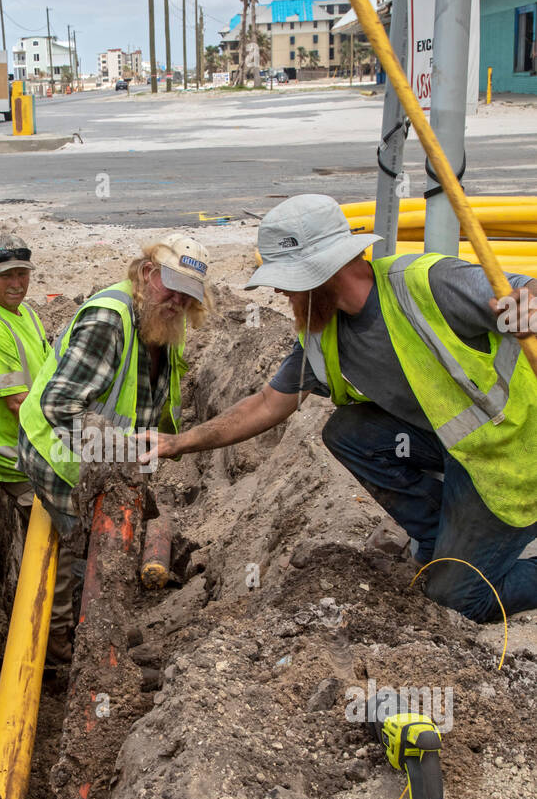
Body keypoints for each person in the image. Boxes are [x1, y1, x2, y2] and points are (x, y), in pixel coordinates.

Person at [146, 194, 537, 624]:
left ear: (321, 271)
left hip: (512, 455)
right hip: (455, 446)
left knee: (455, 600)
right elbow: (265, 404)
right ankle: (438, 542)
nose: (279, 291)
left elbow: (527, 293)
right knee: (348, 433)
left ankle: (462, 569)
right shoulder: (320, 333)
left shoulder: (426, 284)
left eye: (287, 279)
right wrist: (178, 442)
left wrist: (526, 306)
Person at [17, 234, 212, 534]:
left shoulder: (167, 320)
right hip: (59, 461)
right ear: (148, 273)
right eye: (172, 286)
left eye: (188, 293)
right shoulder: (108, 321)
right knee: (96, 558)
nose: (178, 301)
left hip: (107, 459)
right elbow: (59, 407)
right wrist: (123, 457)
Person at [0, 232, 74, 662]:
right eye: (6, 276)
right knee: (63, 539)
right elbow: (18, 403)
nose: (16, 283)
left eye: (23, 274)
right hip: (19, 461)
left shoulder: (22, 314)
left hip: (41, 444)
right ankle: (59, 645)